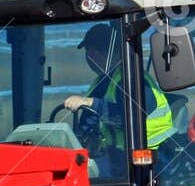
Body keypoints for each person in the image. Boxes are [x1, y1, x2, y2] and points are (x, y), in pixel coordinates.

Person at [63, 22, 174, 157]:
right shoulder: (102, 81)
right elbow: (89, 117)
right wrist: (84, 139)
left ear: (93, 53)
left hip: (151, 154)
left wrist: (90, 102)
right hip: (118, 152)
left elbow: (129, 116)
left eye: (88, 52)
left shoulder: (133, 79)